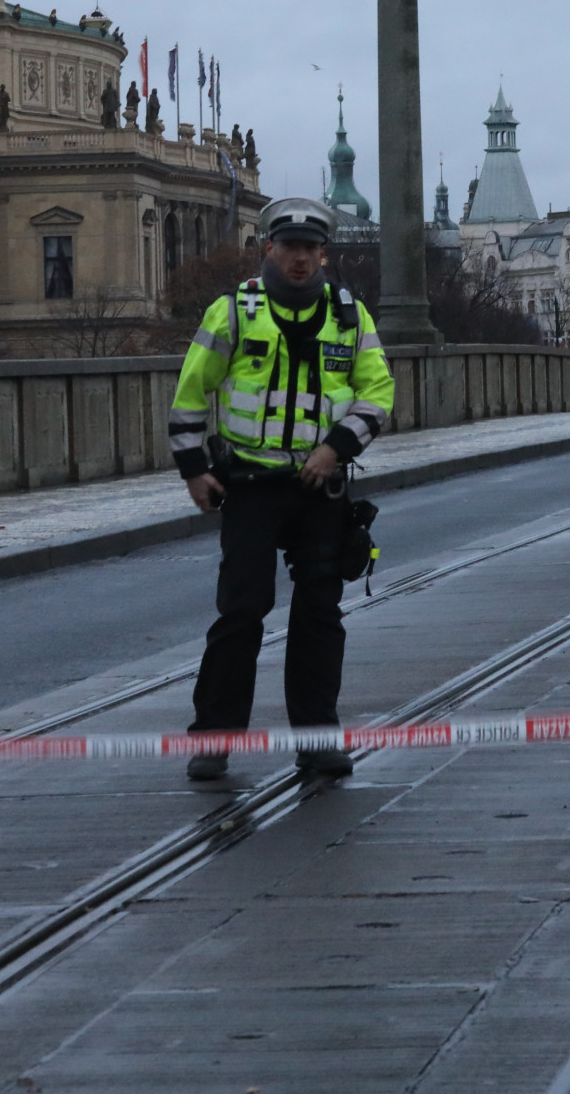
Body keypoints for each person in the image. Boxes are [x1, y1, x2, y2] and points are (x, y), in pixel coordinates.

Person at [168, 196, 395, 781]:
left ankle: (317, 740)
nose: (299, 258)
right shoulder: (233, 313)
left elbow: (378, 395)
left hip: (320, 487)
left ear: (324, 254)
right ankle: (214, 739)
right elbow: (190, 393)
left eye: (310, 249)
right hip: (250, 485)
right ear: (268, 248)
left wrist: (334, 449)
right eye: (289, 247)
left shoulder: (350, 317)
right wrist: (194, 470)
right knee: (241, 612)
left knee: (319, 614)